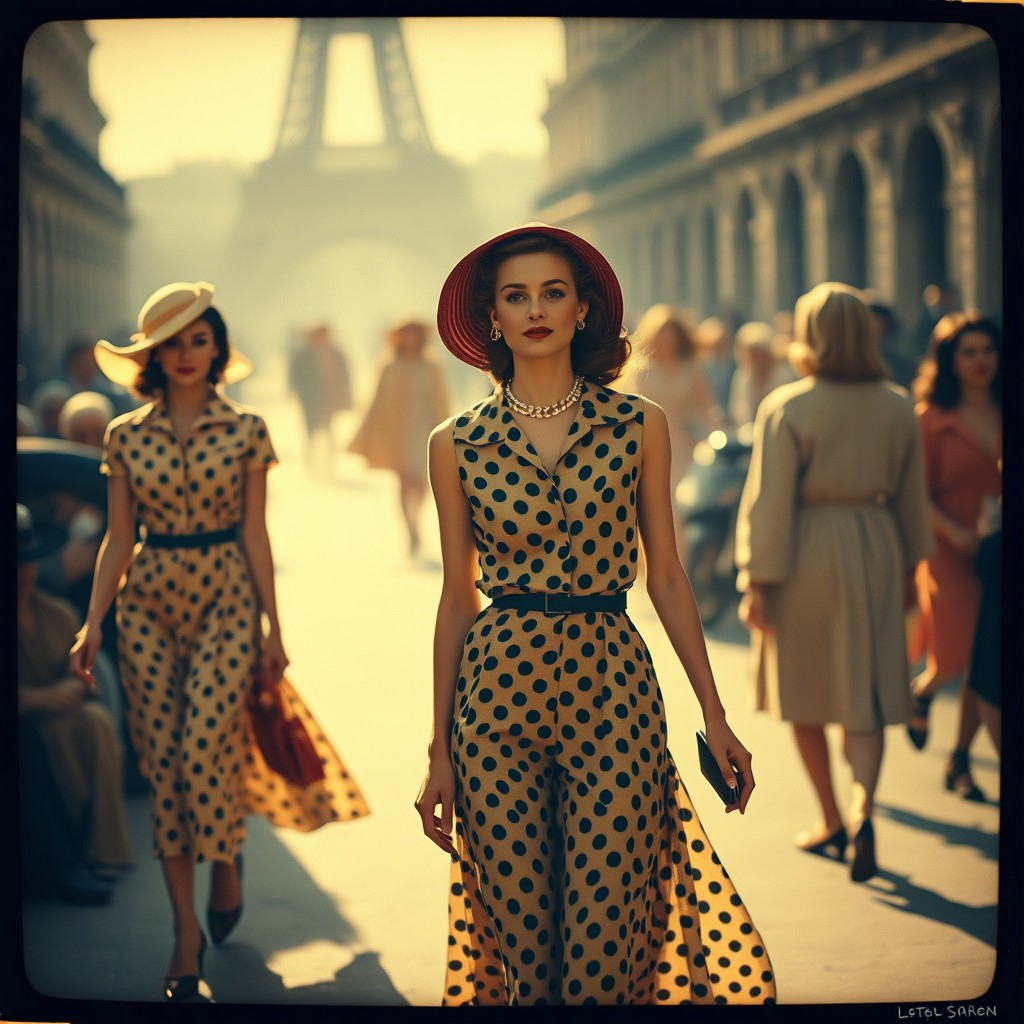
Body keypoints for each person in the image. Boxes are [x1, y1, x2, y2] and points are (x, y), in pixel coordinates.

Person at [414, 223, 776, 1005]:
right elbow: (456, 597)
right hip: (495, 699)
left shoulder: (640, 423)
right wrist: (439, 750)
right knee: (525, 952)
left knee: (604, 942)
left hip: (614, 691)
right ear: (492, 318)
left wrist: (715, 715)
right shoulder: (455, 442)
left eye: (553, 293)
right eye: (516, 296)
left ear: (582, 311)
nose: (536, 309)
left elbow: (668, 576)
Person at [68, 281, 370, 1002]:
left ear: (217, 348)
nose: (185, 354)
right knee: (165, 760)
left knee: (204, 742)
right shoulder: (124, 434)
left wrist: (274, 628)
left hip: (227, 599)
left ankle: (226, 859)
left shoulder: (247, 430)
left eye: (197, 340)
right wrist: (93, 620)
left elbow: (255, 533)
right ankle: (185, 932)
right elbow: (118, 537)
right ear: (152, 356)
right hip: (147, 602)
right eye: (170, 344)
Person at [734, 282, 932, 884]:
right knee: (863, 691)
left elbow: (769, 502)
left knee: (805, 693)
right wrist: (911, 569)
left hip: (804, 551)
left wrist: (756, 579)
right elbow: (913, 499)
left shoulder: (788, 406)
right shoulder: (897, 404)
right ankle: (864, 804)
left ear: (808, 334)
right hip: (876, 545)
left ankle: (830, 818)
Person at [905, 311, 1002, 801]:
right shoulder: (930, 418)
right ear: (949, 361)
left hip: (999, 552)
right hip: (949, 548)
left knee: (985, 660)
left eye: (988, 350)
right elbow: (914, 493)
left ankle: (959, 758)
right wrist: (957, 533)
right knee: (960, 655)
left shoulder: (1005, 406)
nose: (981, 360)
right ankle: (923, 690)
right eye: (969, 352)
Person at [18, 502, 133, 884]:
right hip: (30, 719)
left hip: (67, 709)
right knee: (54, 738)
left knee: (95, 721)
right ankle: (70, 843)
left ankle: (103, 848)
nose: (23, 574)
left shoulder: (57, 613)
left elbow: (86, 671)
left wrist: (73, 684)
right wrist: (34, 699)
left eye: (28, 563)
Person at [348, 317, 450, 558]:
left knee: (422, 483)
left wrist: (448, 433)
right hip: (395, 432)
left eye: (415, 333)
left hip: (423, 431)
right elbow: (376, 400)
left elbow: (441, 401)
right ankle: (410, 530)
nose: (410, 338)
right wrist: (366, 432)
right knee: (404, 481)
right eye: (406, 333)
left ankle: (416, 519)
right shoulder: (388, 366)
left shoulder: (431, 366)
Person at [287, 322, 353, 477]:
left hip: (330, 399)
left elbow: (345, 376)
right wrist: (297, 392)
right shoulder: (303, 355)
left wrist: (346, 395)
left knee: (330, 431)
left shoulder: (336, 353)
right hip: (310, 400)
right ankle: (311, 464)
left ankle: (329, 465)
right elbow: (295, 376)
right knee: (310, 431)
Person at [726, 320, 796, 427]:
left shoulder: (785, 375)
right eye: (749, 353)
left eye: (757, 353)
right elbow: (738, 411)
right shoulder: (743, 375)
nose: (753, 359)